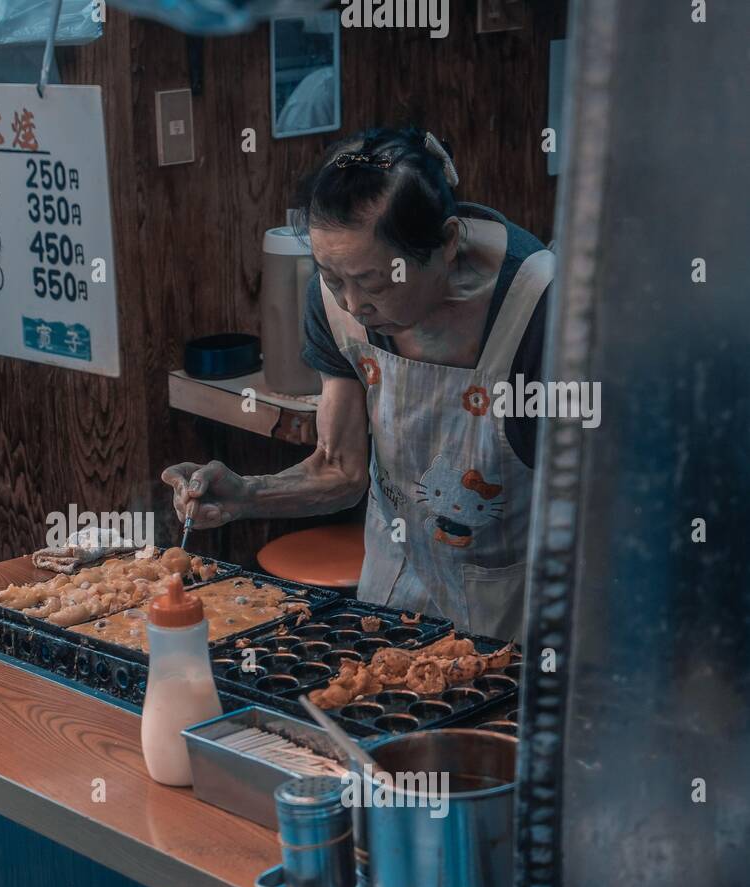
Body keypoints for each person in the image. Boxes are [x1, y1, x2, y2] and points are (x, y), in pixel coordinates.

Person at [162, 126, 553, 640]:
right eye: (331, 278)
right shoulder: (336, 302)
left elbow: (599, 512)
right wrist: (247, 495)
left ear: (448, 243)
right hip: (394, 603)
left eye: (374, 282)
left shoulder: (540, 314)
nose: (352, 305)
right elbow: (340, 470)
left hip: (523, 618)